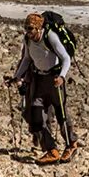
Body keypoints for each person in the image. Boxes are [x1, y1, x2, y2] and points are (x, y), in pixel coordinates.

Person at [11, 13, 75, 162]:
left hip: (54, 79)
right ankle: (51, 150)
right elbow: (27, 59)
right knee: (36, 114)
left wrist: (62, 77)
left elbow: (65, 58)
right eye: (27, 28)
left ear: (39, 28)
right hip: (39, 78)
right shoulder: (28, 40)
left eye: (32, 28)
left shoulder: (50, 37)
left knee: (61, 114)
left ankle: (71, 144)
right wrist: (17, 76)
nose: (29, 32)